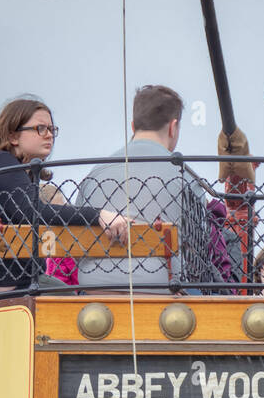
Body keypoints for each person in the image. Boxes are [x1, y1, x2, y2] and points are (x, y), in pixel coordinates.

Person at [0, 97, 127, 300]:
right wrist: (99, 215)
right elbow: (33, 211)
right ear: (13, 136)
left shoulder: (12, 170)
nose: (49, 135)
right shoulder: (1, 161)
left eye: (52, 129)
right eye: (40, 128)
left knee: (73, 297)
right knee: (75, 304)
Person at [75, 85, 211, 290]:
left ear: (133, 126)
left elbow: (76, 242)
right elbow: (197, 253)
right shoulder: (186, 177)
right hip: (160, 286)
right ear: (173, 127)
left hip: (94, 286)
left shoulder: (95, 174)